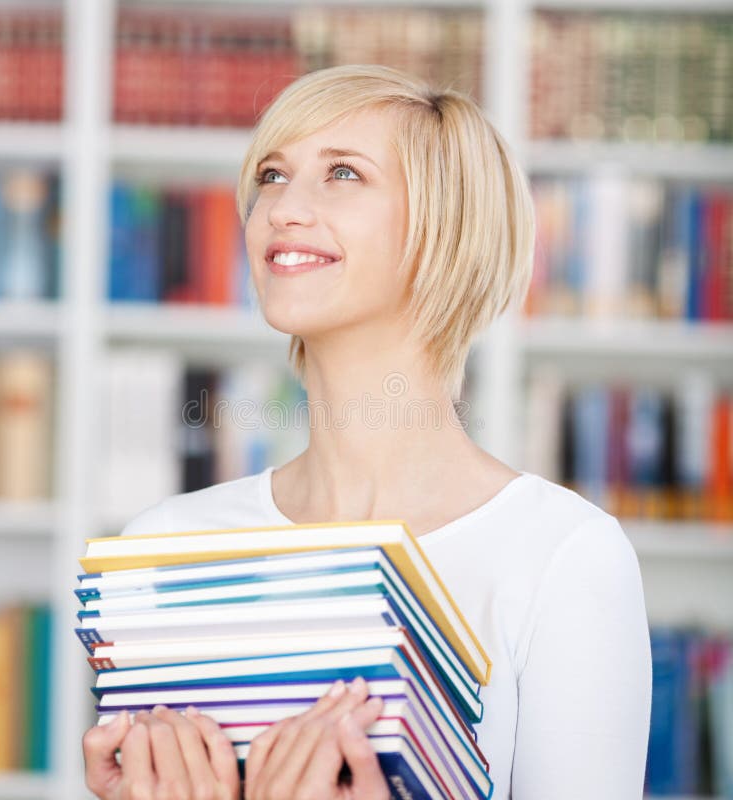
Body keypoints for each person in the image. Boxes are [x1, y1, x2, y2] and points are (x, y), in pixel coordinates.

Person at [83, 63, 652, 800]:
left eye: (343, 173)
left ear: (445, 229)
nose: (282, 208)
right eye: (272, 176)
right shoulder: (167, 548)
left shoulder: (564, 557)